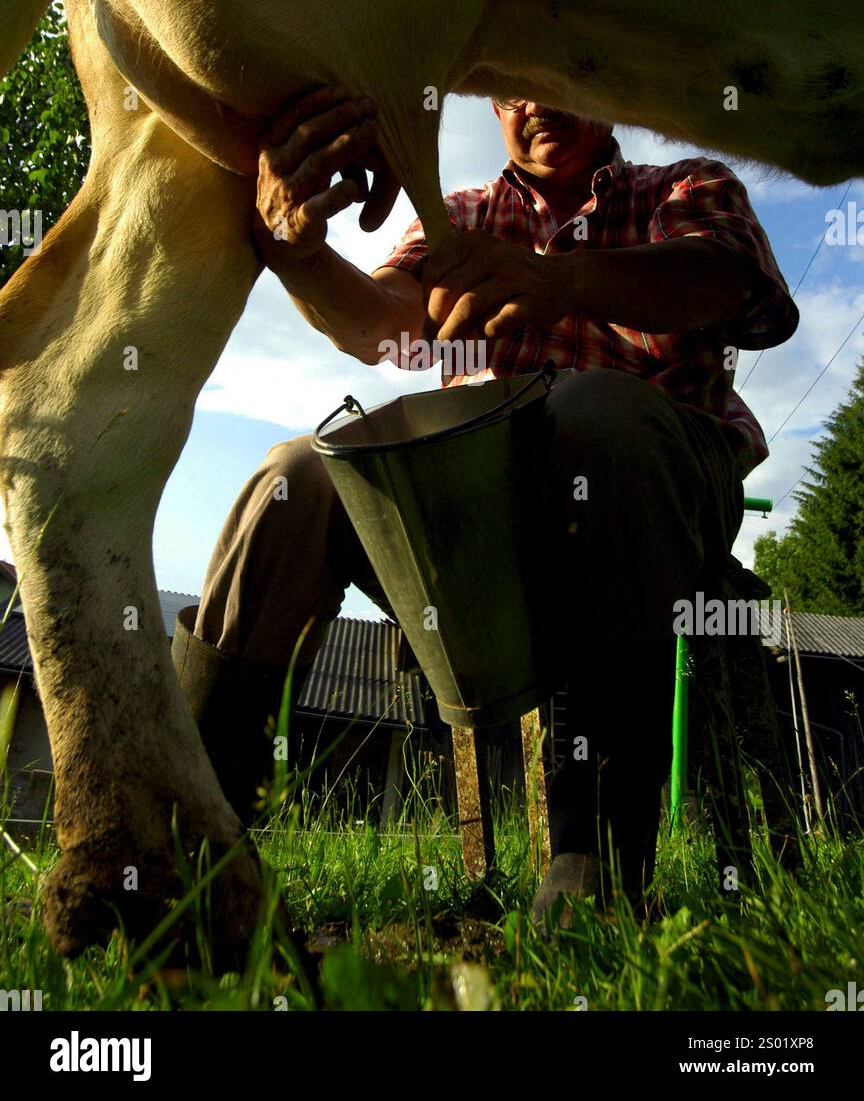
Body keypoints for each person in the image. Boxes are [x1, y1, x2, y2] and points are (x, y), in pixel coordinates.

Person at [171, 86, 798, 921]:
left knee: (591, 412)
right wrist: (294, 252)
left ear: (600, 87)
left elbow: (729, 284)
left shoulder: (685, 186)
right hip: (470, 520)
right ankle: (196, 850)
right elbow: (384, 330)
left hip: (651, 502)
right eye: (509, 85)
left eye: (557, 77)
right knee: (295, 477)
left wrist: (558, 281)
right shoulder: (455, 218)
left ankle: (595, 859)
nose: (537, 100)